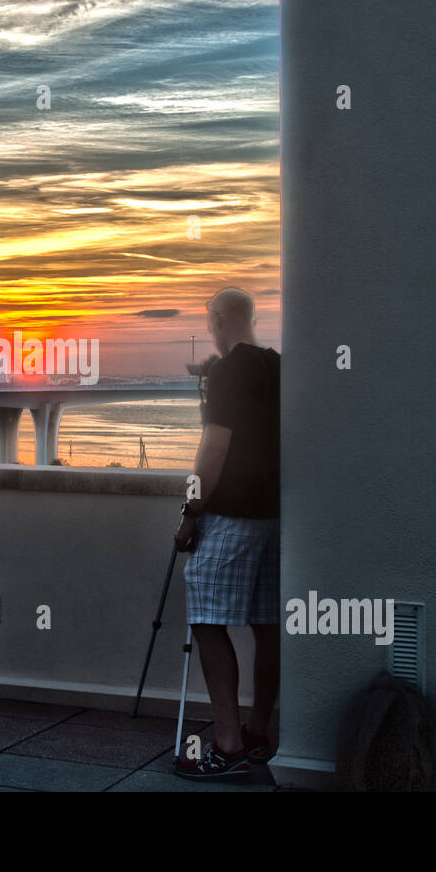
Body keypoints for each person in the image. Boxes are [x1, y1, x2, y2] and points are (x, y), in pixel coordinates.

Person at [173, 287, 281, 779]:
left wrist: (191, 511)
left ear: (216, 318)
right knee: (265, 625)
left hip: (233, 514)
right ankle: (258, 732)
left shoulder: (226, 372)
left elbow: (213, 450)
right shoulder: (277, 365)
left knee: (207, 618)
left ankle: (227, 743)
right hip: (275, 515)